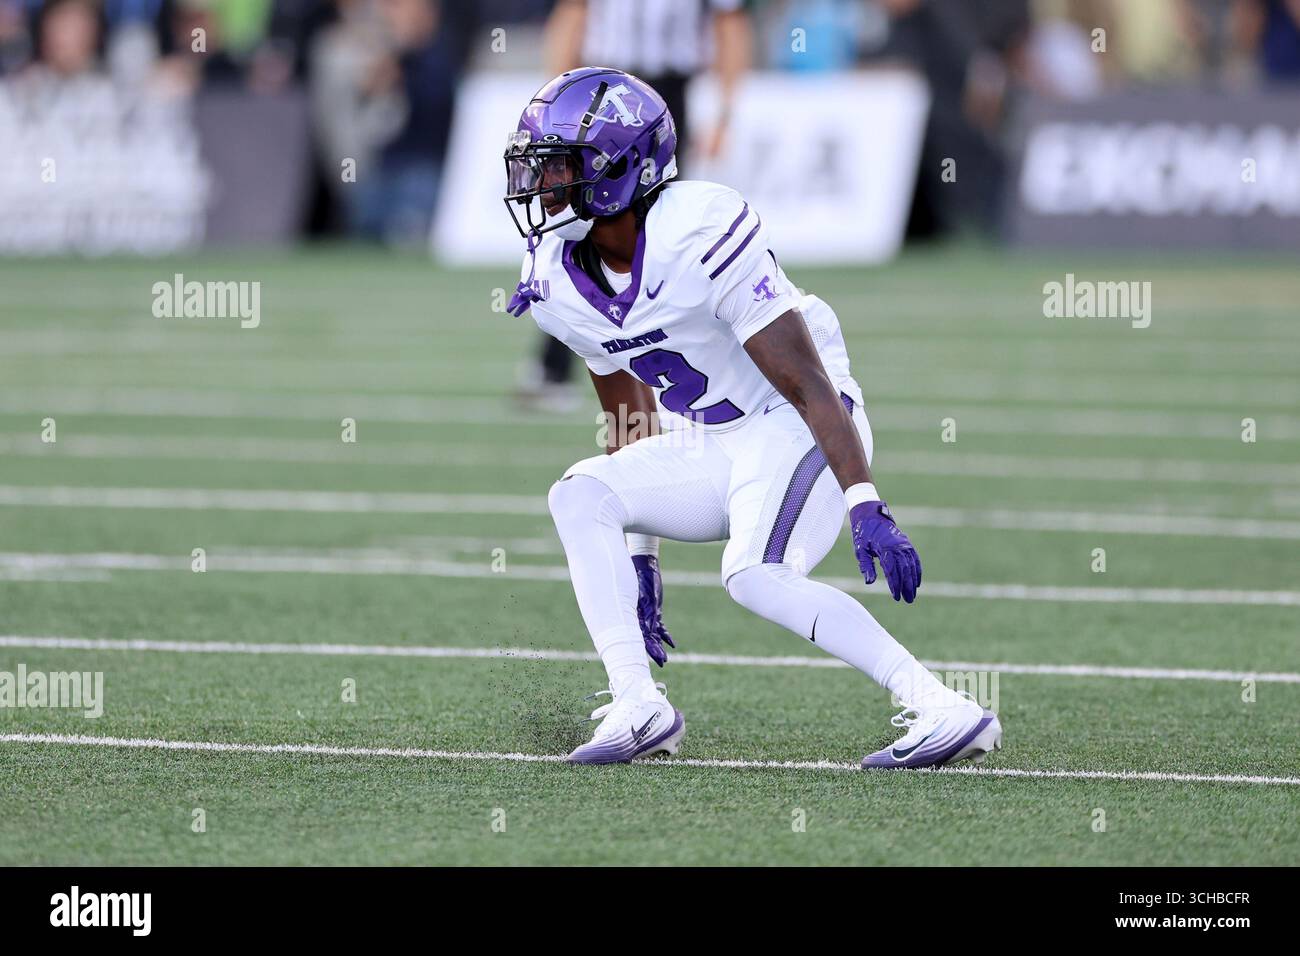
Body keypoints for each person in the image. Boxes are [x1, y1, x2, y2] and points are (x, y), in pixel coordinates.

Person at [503, 67, 1003, 769]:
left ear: (618, 168)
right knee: (581, 493)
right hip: (720, 439)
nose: (542, 186)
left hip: (799, 419)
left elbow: (805, 378)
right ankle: (638, 703)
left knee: (755, 572)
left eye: (559, 166)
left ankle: (942, 706)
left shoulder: (697, 228)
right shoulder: (555, 276)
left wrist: (864, 500)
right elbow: (626, 410)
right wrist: (642, 559)